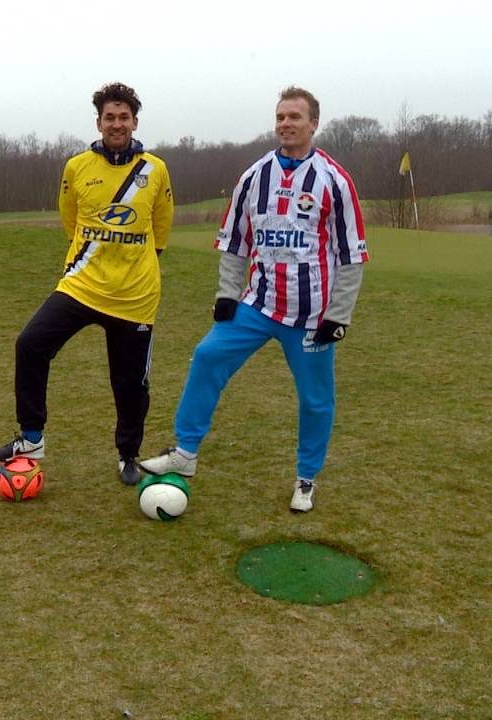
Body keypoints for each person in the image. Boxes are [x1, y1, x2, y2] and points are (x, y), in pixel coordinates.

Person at [140, 86, 367, 512]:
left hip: (311, 316)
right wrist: (227, 294)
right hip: (257, 306)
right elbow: (234, 241)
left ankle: (306, 478)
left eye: (295, 117)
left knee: (316, 399)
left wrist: (339, 314)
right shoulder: (254, 176)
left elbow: (352, 255)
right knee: (207, 356)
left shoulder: (334, 180)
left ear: (313, 123)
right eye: (281, 116)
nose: (286, 123)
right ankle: (185, 454)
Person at [0, 82, 174, 487]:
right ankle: (31, 440)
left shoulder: (155, 170)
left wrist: (133, 265)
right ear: (99, 122)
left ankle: (128, 453)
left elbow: (160, 230)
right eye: (110, 117)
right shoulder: (76, 167)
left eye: (124, 117)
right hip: (82, 285)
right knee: (30, 344)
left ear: (135, 122)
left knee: (130, 384)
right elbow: (70, 221)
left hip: (134, 296)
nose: (117, 124)